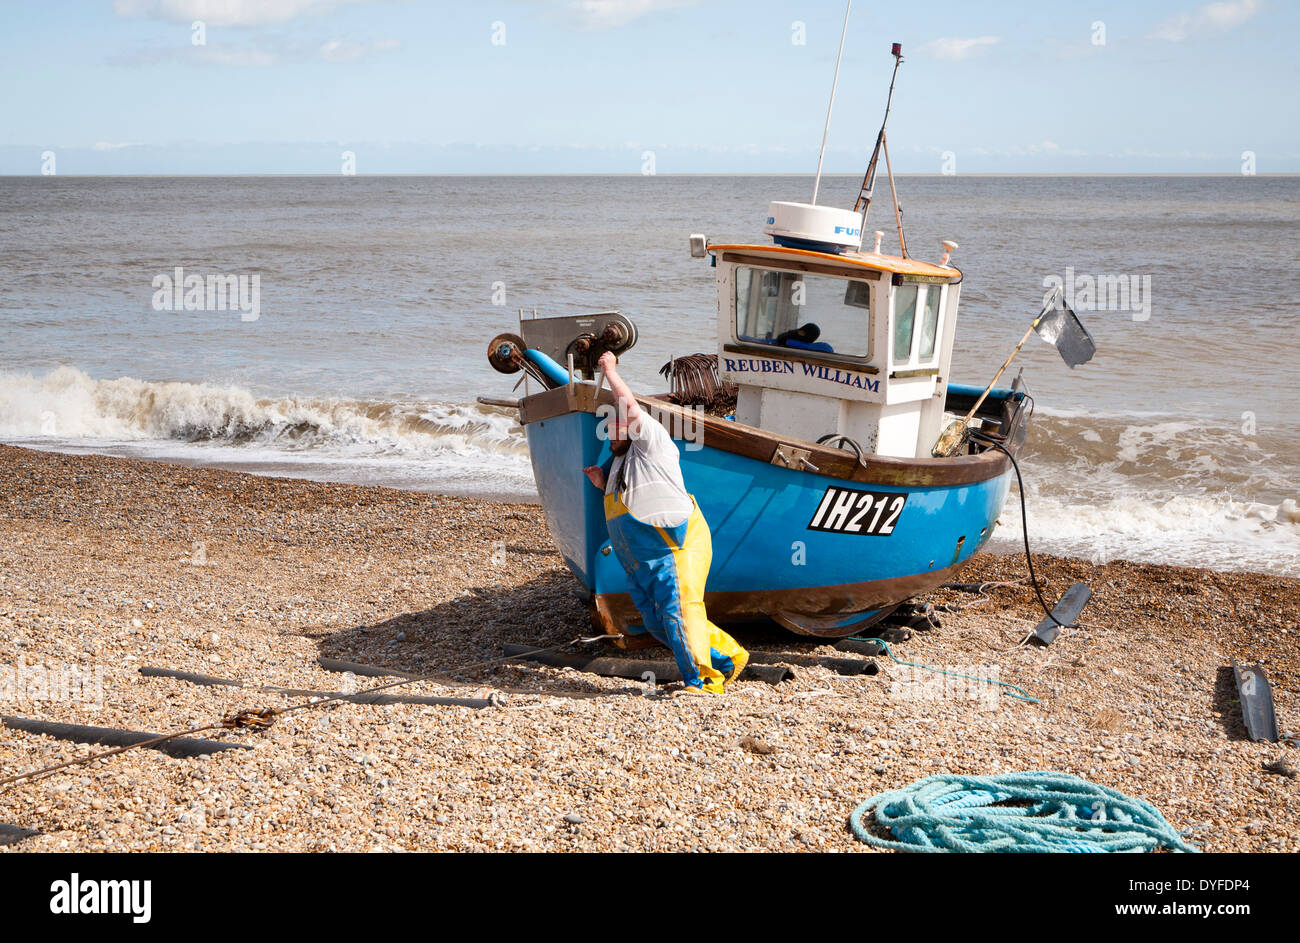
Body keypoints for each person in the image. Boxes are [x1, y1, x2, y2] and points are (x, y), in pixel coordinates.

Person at [583, 351, 748, 696]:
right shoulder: (619, 463)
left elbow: (627, 404)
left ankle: (702, 683)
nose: (611, 436)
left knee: (679, 614)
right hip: (642, 561)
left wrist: (610, 371)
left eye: (618, 429)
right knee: (657, 624)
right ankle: (728, 655)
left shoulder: (652, 442)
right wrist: (602, 484)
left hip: (676, 547)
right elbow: (633, 501)